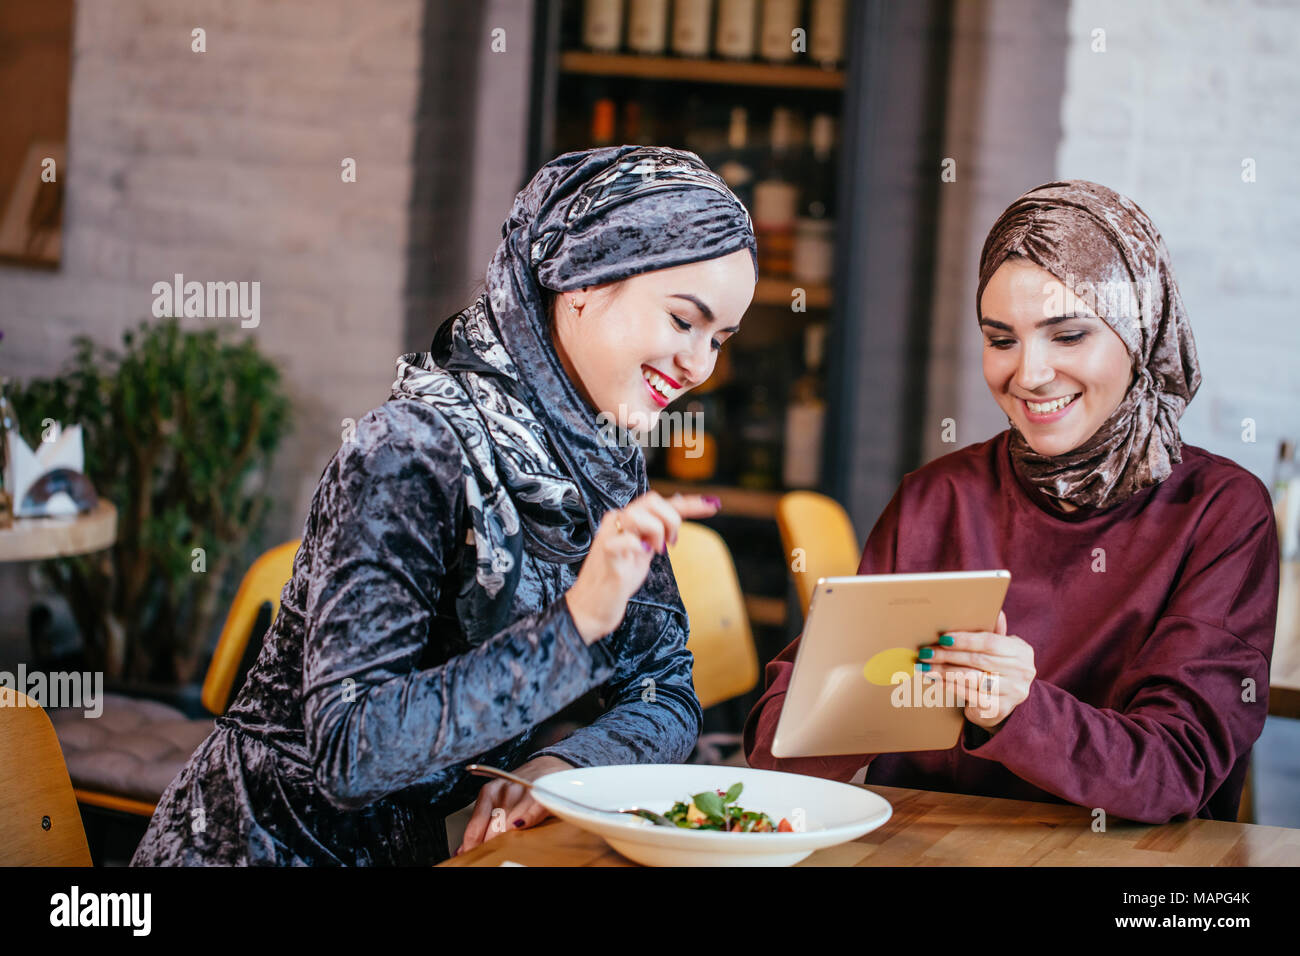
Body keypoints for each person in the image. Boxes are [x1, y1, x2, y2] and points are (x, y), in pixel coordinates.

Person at [131, 145, 757, 865]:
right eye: (684, 322)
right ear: (581, 280)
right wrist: (577, 625)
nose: (700, 366)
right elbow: (352, 751)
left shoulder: (604, 462)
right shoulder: (406, 451)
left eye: (720, 340)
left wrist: (562, 768)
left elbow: (665, 690)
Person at [745, 180, 1278, 824]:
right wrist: (860, 693)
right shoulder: (937, 497)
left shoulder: (1219, 512)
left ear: (1140, 333)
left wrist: (1017, 710)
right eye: (1001, 340)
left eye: (1069, 335)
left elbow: (1175, 770)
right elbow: (775, 751)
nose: (1028, 375)